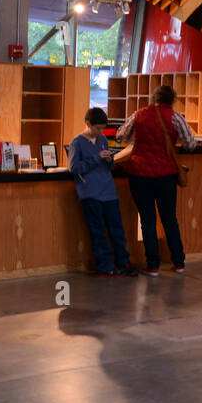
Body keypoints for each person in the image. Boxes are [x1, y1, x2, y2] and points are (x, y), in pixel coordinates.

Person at [115, 85, 195, 276]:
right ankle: (179, 262)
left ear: (154, 98)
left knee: (148, 220)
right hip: (165, 175)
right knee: (169, 219)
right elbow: (191, 144)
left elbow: (120, 136)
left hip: (139, 174)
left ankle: (152, 266)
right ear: (172, 100)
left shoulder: (138, 114)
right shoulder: (176, 117)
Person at [68, 107, 136, 278]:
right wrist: (97, 158)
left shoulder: (103, 139)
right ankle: (104, 265)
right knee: (98, 231)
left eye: (102, 129)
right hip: (90, 192)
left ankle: (123, 261)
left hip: (108, 191)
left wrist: (109, 160)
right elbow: (74, 168)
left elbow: (107, 166)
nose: (100, 132)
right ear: (88, 124)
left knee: (116, 228)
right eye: (97, 128)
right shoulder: (77, 142)